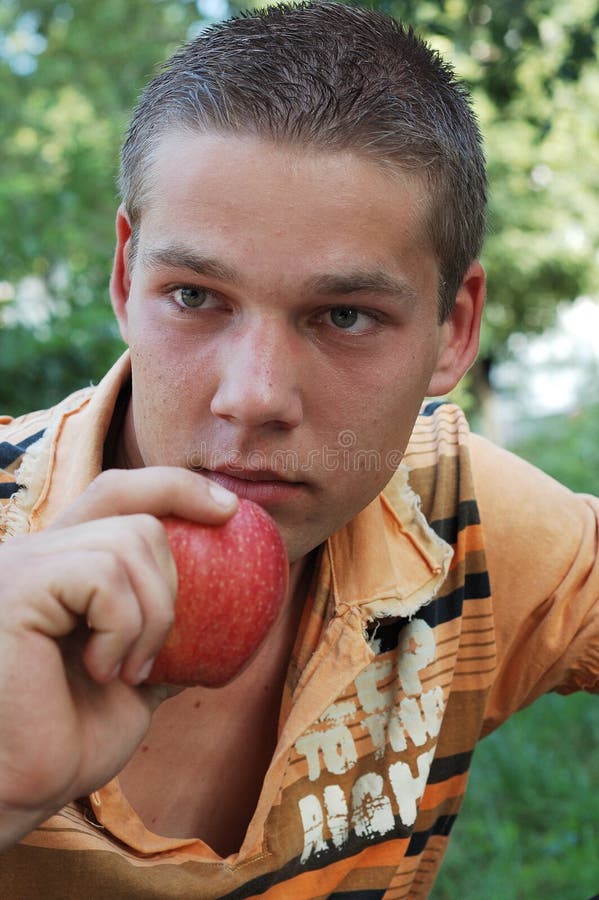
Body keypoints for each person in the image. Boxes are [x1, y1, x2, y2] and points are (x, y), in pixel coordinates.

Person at [0, 2, 597, 897]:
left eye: (344, 316)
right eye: (196, 296)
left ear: (452, 329)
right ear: (126, 279)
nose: (252, 397)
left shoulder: (456, 518)